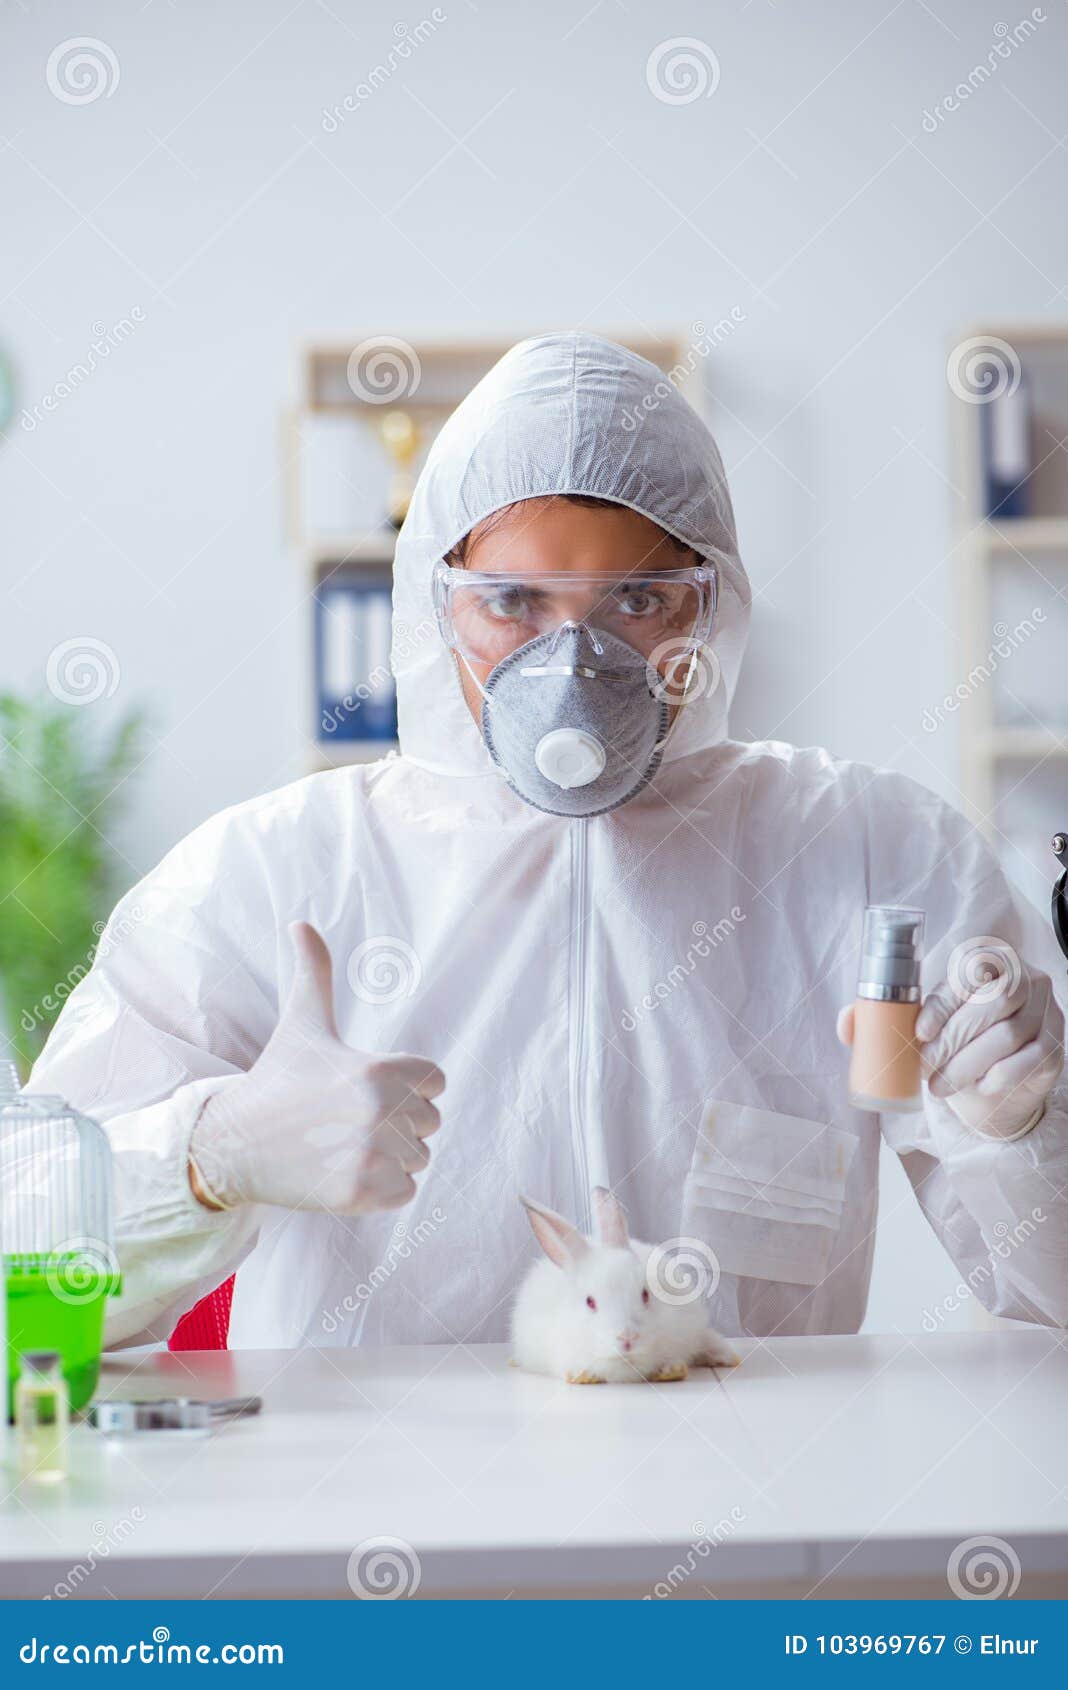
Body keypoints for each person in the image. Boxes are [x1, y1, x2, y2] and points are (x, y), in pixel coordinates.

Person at [31, 333, 1067, 1349]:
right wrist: (210, 1157)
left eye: (640, 600)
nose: (575, 665)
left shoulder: (866, 851)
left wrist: (1022, 1132)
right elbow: (21, 1268)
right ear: (438, 609)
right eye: (515, 603)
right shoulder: (274, 872)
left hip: (746, 1497)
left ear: (713, 607)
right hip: (362, 1505)